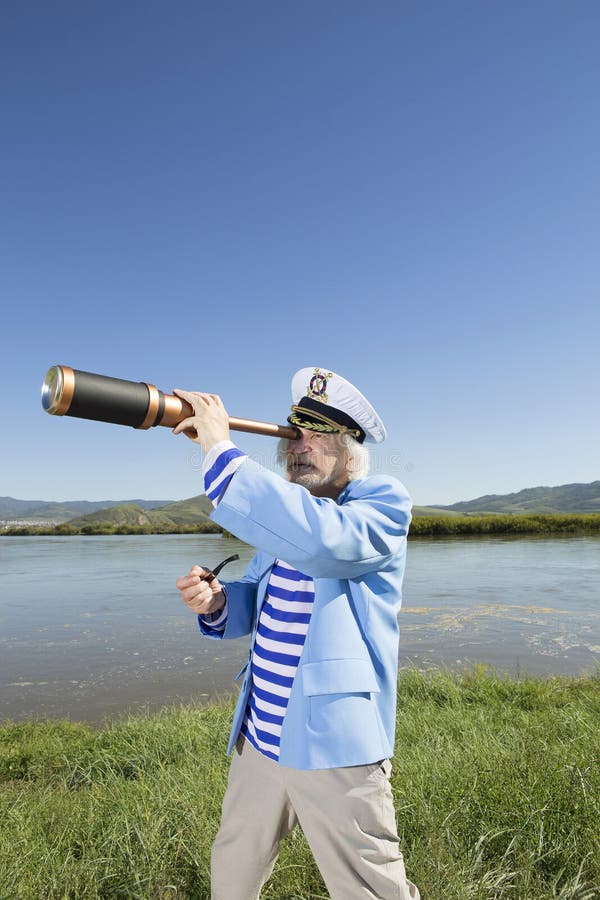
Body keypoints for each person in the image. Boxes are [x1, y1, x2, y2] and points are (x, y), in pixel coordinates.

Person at [174, 367, 420, 900]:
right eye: (292, 434)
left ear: (351, 450)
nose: (297, 446)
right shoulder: (287, 523)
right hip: (260, 736)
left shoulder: (379, 504)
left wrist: (219, 446)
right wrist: (218, 601)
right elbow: (258, 601)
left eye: (315, 434)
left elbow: (324, 543)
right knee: (233, 870)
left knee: (369, 888)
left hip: (334, 744)